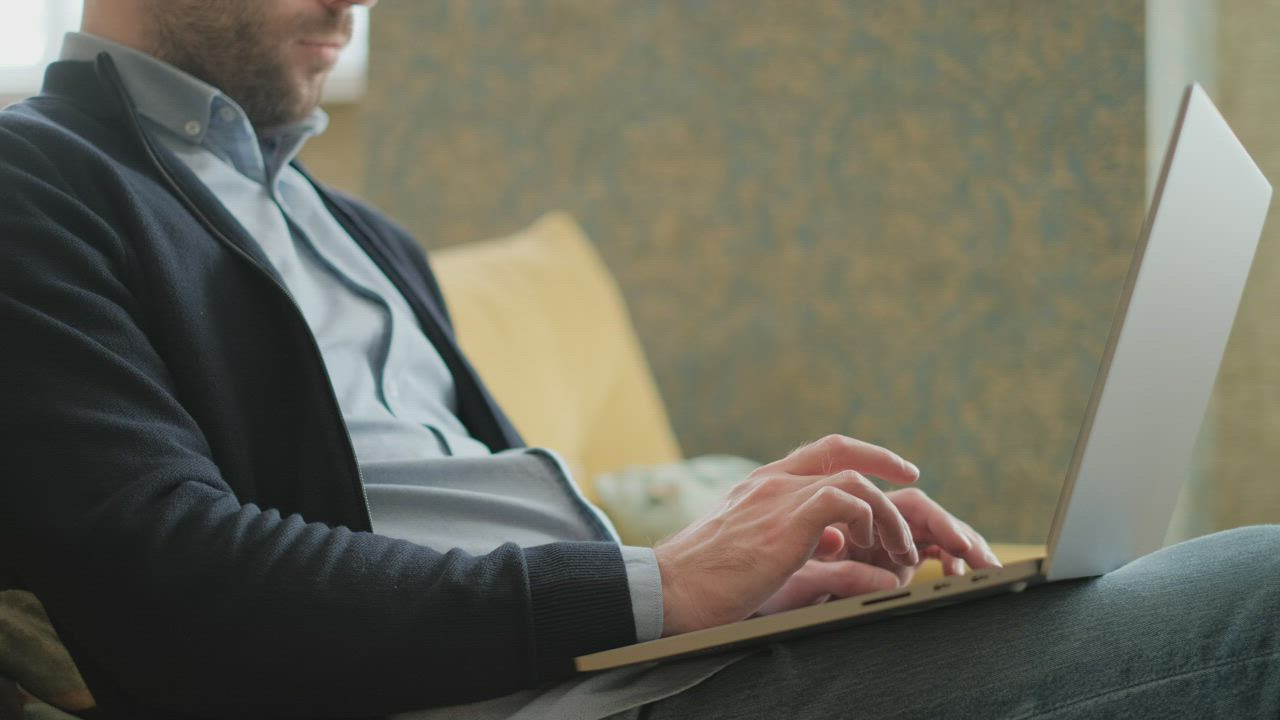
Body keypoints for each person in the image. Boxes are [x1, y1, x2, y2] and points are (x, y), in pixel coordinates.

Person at [0, 1, 1274, 718]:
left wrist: (732, 569)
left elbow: (482, 517)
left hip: (611, 675)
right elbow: (168, 582)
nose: (348, 7)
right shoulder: (37, 185)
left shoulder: (362, 235)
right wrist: (656, 590)